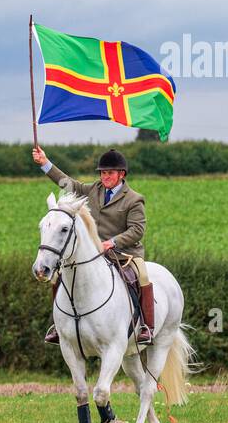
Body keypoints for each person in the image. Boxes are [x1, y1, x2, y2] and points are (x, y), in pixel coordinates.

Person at [33, 145, 154, 344]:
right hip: (91, 252)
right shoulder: (92, 190)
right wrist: (45, 163)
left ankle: (146, 327)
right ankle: (58, 326)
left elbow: (137, 231)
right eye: (103, 172)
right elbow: (67, 183)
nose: (105, 176)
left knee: (142, 274)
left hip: (124, 253)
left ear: (121, 174)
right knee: (57, 275)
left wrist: (112, 242)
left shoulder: (134, 199)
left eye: (110, 173)